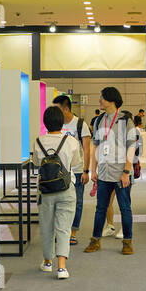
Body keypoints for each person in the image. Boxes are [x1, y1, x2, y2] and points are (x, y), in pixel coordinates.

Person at [84, 86, 136, 255]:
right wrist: (93, 170)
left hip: (121, 173)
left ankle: (127, 242)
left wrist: (127, 172)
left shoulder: (125, 120)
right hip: (104, 172)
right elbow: (96, 146)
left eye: (102, 97)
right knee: (101, 208)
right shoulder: (99, 120)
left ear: (111, 100)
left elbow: (131, 146)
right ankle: (95, 240)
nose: (99, 99)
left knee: (125, 208)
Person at [33, 105, 82, 279]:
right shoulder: (71, 141)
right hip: (66, 188)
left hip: (45, 190)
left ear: (45, 123)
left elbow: (38, 163)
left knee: (46, 226)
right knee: (64, 228)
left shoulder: (39, 141)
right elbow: (75, 162)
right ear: (62, 122)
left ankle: (47, 262)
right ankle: (61, 267)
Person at [54, 94, 92, 247]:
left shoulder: (80, 124)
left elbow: (87, 149)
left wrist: (86, 170)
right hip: (59, 171)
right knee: (60, 202)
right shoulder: (55, 125)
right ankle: (63, 230)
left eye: (57, 110)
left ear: (66, 109)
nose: (55, 113)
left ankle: (73, 232)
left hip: (77, 170)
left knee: (77, 202)